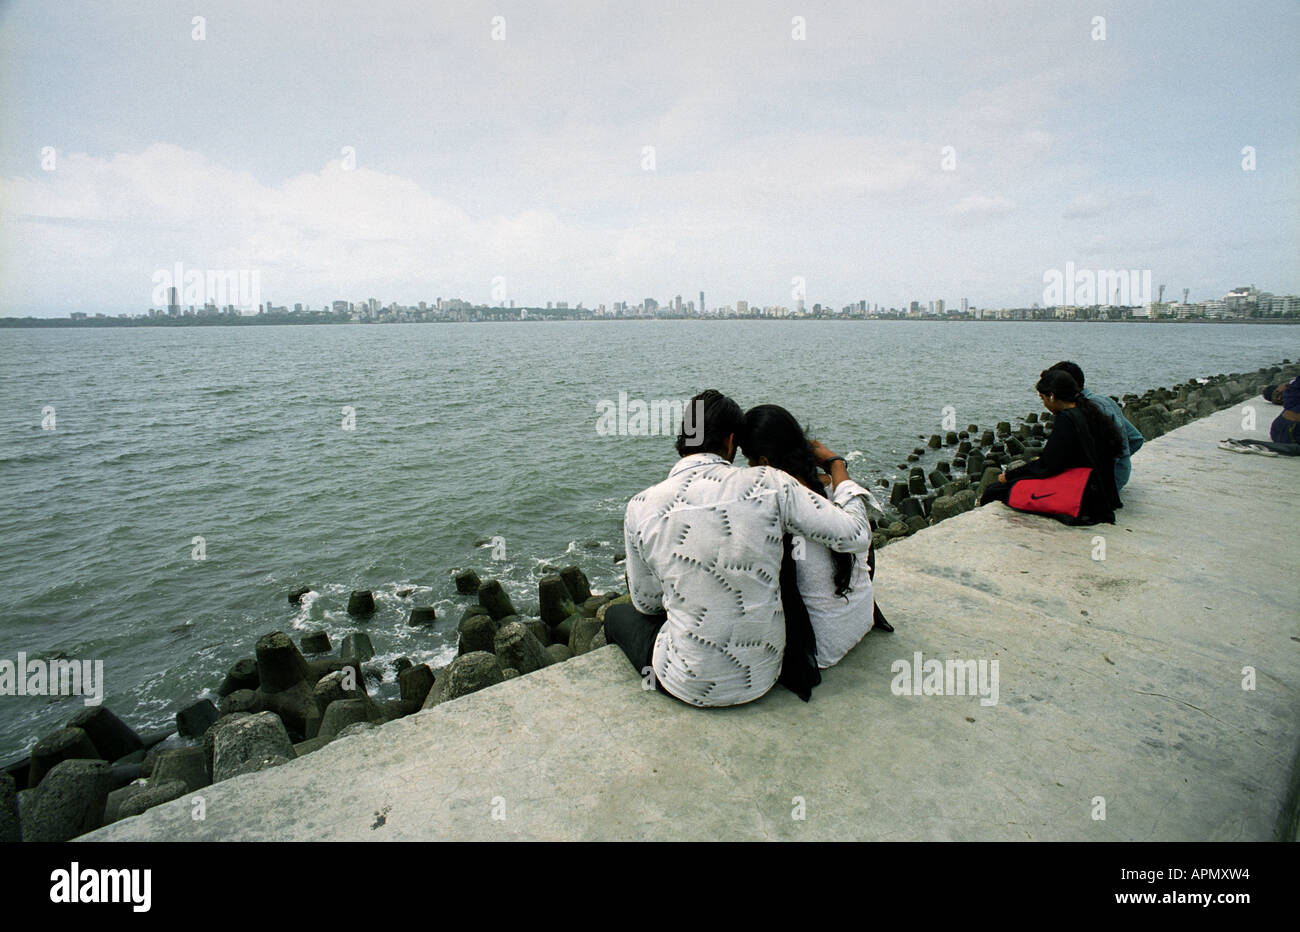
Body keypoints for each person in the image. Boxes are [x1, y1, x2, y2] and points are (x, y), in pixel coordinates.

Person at [604, 389, 875, 708]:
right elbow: (857, 533)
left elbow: (647, 604)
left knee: (615, 615)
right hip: (766, 674)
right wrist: (838, 470)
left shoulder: (640, 506)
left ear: (682, 438)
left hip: (686, 682)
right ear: (732, 442)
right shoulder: (771, 483)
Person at [736, 404, 878, 675]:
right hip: (861, 619)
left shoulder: (780, 506)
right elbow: (858, 531)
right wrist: (836, 464)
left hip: (822, 647)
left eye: (748, 459)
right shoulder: (827, 486)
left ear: (764, 462)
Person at [979, 369, 1124, 524]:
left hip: (1084, 492)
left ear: (1052, 396)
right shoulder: (1088, 411)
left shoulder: (1067, 419)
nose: (1044, 404)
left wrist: (1009, 476)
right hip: (1099, 489)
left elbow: (1047, 465)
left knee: (995, 491)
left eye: (1043, 399)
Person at [1046, 361, 1143, 489]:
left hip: (1103, 482)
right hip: (1119, 476)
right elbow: (1136, 438)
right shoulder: (1105, 400)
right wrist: (1121, 462)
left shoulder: (1084, 410)